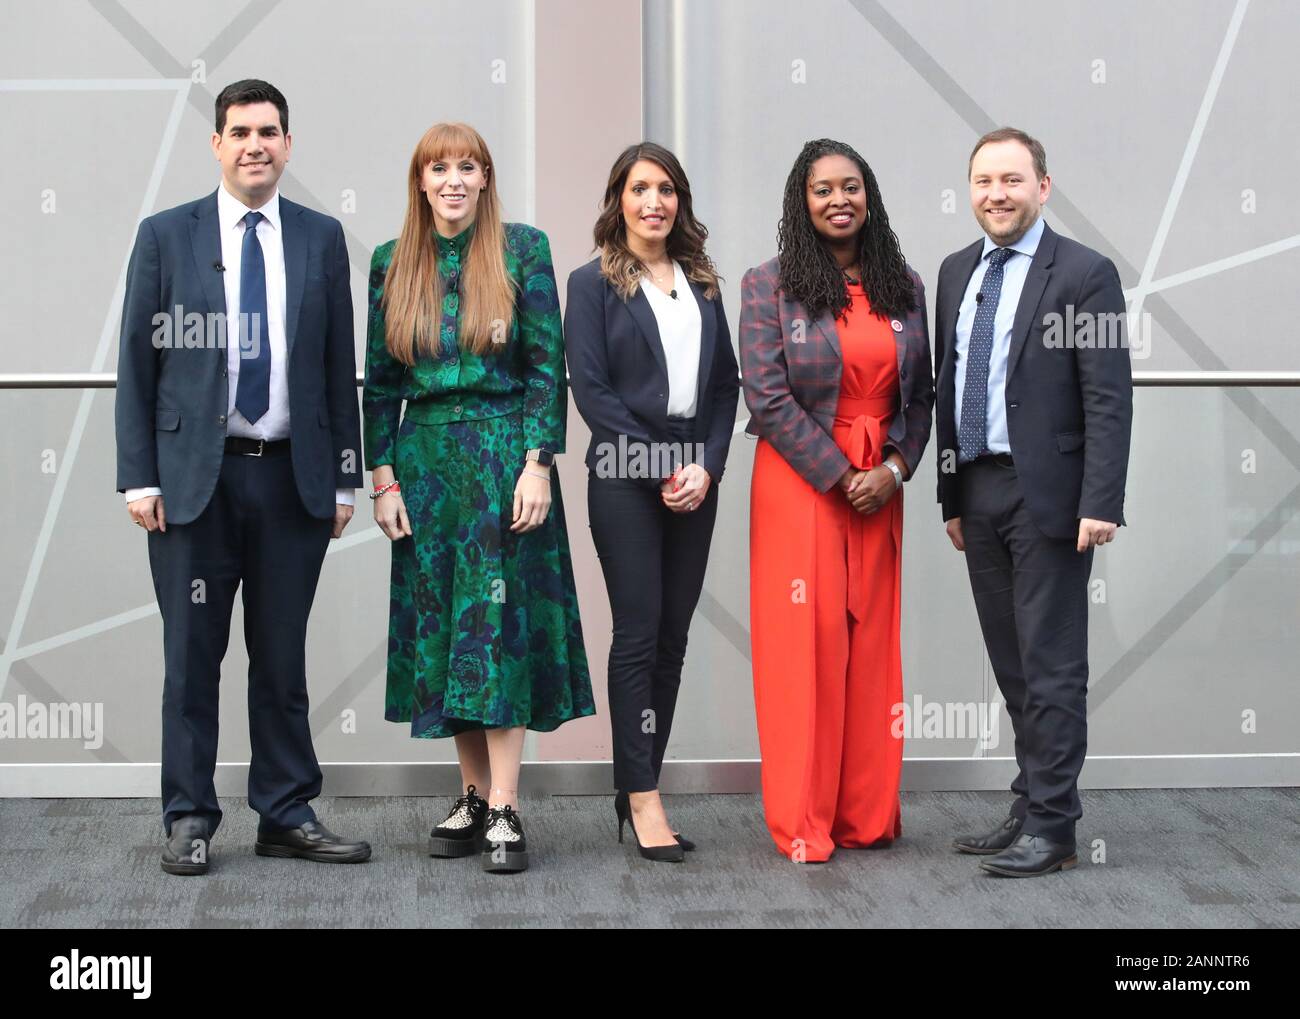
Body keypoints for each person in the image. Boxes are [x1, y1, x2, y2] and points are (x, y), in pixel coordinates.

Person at [115, 79, 370, 875]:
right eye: (239, 131)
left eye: (269, 131)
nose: (255, 144)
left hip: (291, 482)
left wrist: (343, 479)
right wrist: (138, 478)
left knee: (281, 655)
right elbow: (136, 363)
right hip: (195, 484)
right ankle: (189, 815)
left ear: (288, 145)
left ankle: (285, 811)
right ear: (216, 145)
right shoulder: (167, 235)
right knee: (191, 657)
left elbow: (338, 367)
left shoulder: (320, 238)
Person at [363, 122, 594, 874]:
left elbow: (543, 369)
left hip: (502, 461)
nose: (454, 179)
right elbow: (380, 384)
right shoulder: (391, 262)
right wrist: (383, 478)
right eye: (440, 168)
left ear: (486, 178)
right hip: (425, 467)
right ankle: (469, 794)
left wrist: (539, 463)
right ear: (421, 181)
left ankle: (505, 805)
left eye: (468, 166)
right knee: (445, 633)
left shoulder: (524, 249)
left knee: (496, 628)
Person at [936, 127, 1132, 877]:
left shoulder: (1087, 273)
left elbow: (1109, 396)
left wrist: (1101, 499)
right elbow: (948, 384)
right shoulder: (958, 270)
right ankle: (1030, 799)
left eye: (1012, 180)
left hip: (1052, 496)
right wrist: (951, 493)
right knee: (1012, 661)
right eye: (984, 181)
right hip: (978, 490)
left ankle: (1054, 826)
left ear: (1043, 187)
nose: (997, 193)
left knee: (1051, 663)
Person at [740, 139, 934, 863]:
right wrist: (837, 471)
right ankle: (804, 821)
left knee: (872, 647)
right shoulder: (770, 284)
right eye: (822, 190)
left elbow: (922, 394)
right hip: (801, 482)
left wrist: (895, 466)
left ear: (869, 194)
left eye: (850, 186)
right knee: (806, 649)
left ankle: (866, 814)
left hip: (881, 485)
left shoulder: (904, 284)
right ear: (803, 200)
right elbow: (765, 392)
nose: (838, 200)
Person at [565, 143, 740, 863]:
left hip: (695, 478)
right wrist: (669, 464)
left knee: (673, 639)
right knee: (638, 635)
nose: (654, 202)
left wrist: (708, 468)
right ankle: (643, 799)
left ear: (680, 202)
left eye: (666, 189)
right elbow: (592, 389)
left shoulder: (701, 283)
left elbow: (725, 387)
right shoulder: (592, 283)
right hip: (624, 477)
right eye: (640, 189)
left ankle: (638, 782)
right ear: (619, 199)